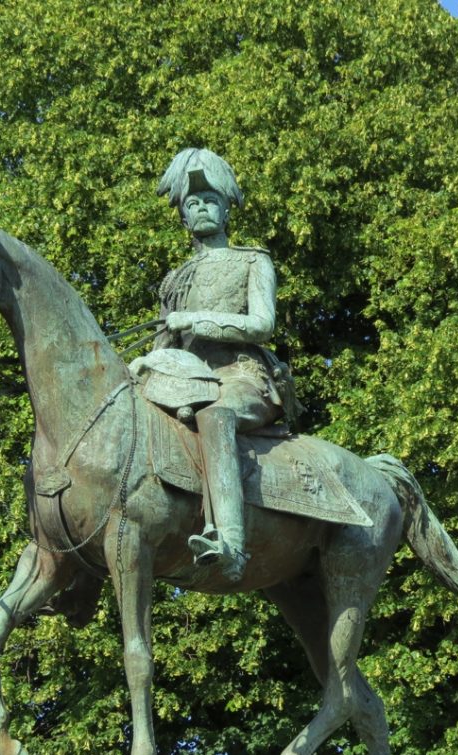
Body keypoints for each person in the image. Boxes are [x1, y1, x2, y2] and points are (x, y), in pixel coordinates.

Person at [150, 147, 286, 582]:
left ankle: (229, 541)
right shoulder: (175, 279)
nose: (202, 208)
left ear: (227, 210)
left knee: (216, 414)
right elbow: (162, 345)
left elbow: (262, 324)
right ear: (184, 218)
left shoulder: (252, 261)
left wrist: (196, 320)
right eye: (193, 204)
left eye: (211, 201)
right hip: (186, 383)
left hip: (243, 377)